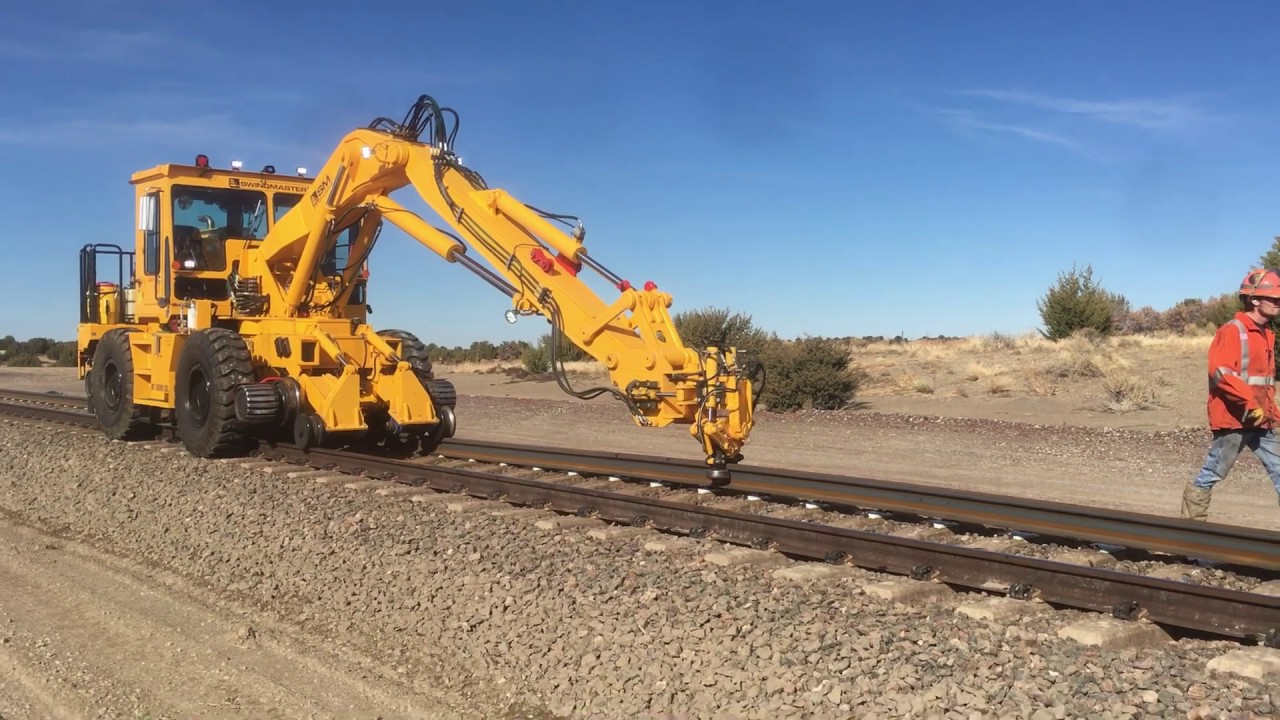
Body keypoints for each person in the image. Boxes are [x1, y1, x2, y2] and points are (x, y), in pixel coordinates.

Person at [1182, 268, 1280, 520]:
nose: (1279, 303)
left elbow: (1263, 381)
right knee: (1214, 471)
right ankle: (1191, 530)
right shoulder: (1233, 330)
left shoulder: (1267, 333)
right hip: (1235, 419)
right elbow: (1221, 372)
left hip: (1262, 419)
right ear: (1254, 299)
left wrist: (1272, 412)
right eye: (1274, 299)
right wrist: (1249, 402)